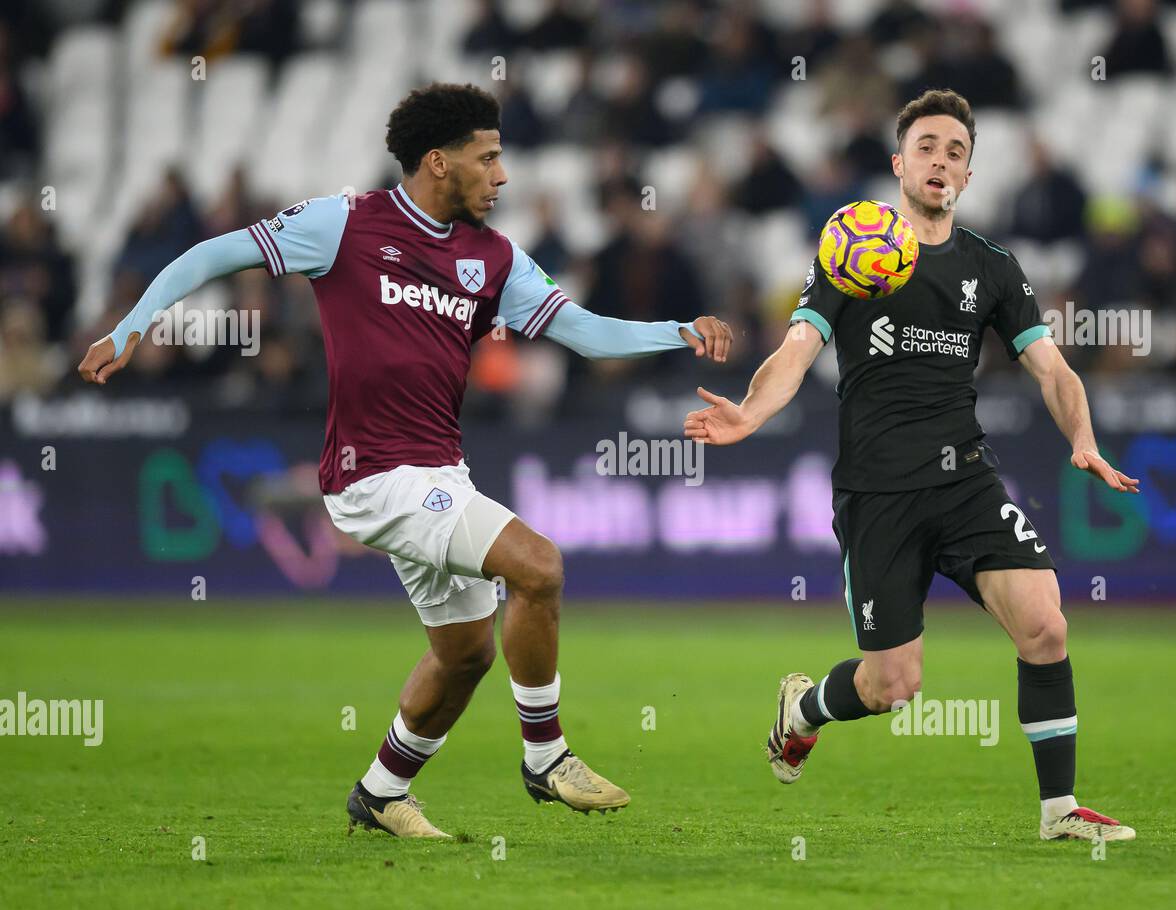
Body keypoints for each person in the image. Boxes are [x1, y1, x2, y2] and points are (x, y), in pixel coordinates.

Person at [78, 83, 733, 838]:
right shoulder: (346, 224)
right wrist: (132, 325)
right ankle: (546, 755)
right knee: (539, 565)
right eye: (488, 158)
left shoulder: (494, 258)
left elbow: (583, 332)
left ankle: (381, 791)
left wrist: (677, 331)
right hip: (370, 476)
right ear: (437, 161)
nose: (502, 175)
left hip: (439, 475)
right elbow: (212, 254)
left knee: (464, 655)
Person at [684, 89, 1138, 844]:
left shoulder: (992, 267)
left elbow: (1054, 371)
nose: (941, 161)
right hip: (879, 492)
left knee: (1046, 625)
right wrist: (752, 412)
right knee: (894, 685)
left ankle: (1059, 811)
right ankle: (802, 709)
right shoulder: (850, 251)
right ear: (899, 162)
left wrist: (1081, 439)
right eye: (927, 146)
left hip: (965, 479)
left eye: (956, 151)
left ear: (967, 173)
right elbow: (798, 349)